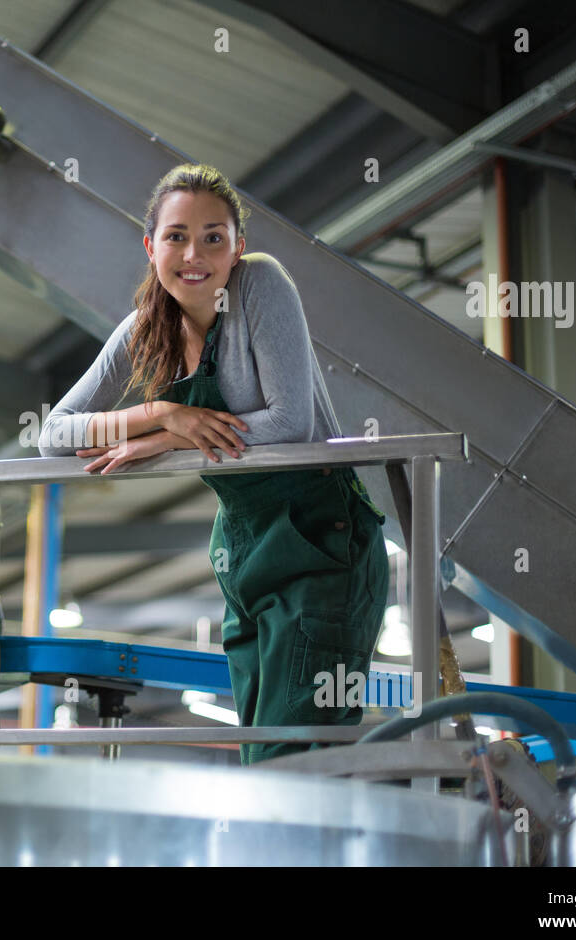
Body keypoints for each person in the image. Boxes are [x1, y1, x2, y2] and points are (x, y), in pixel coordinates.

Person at [37, 163, 389, 765]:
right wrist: (162, 414)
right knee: (260, 757)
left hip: (324, 547)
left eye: (213, 237)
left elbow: (289, 424)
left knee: (293, 760)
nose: (193, 253)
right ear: (151, 247)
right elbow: (52, 434)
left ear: (238, 248)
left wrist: (171, 442)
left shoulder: (262, 287)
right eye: (176, 236)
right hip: (248, 560)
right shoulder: (145, 330)